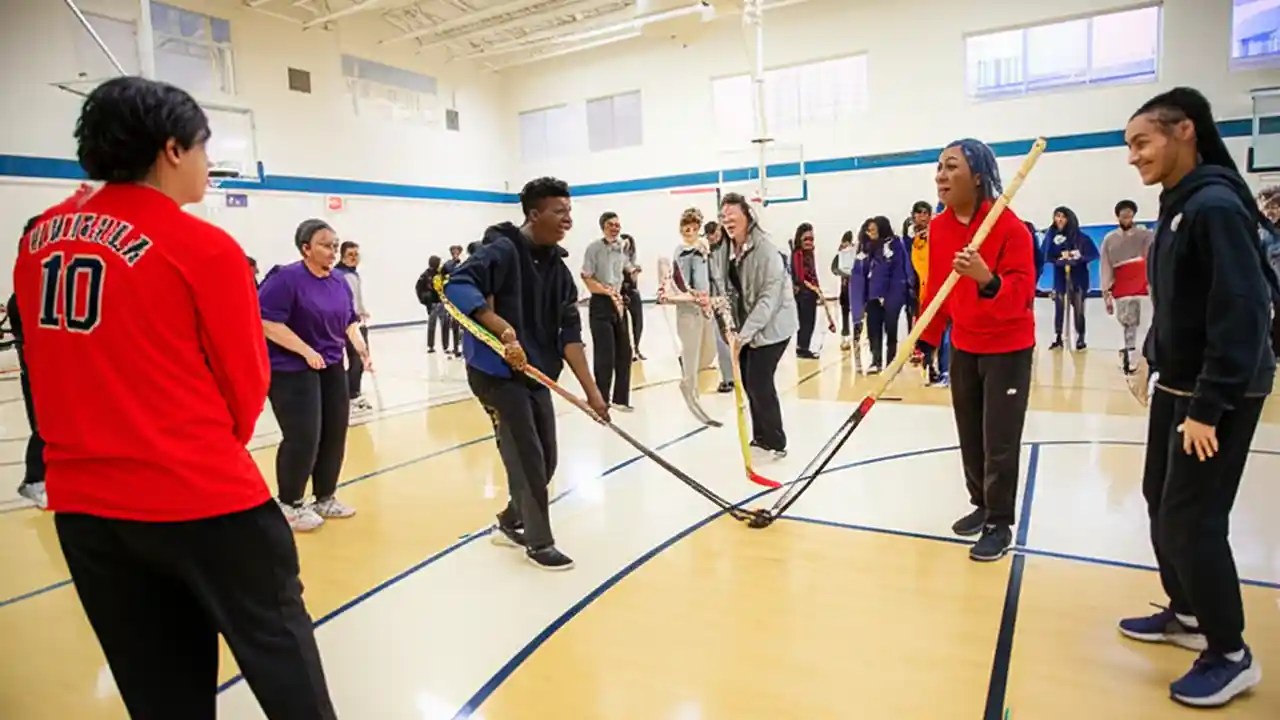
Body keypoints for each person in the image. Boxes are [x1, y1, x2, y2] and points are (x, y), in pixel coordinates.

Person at [13, 76, 334, 718]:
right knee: (283, 665)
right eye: (205, 149)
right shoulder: (202, 245)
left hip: (87, 508)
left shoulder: (37, 240)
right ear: (172, 150)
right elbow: (246, 386)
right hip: (202, 501)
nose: (210, 166)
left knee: (158, 687)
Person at [1117, 87, 1280, 709]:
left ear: (1184, 130)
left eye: (1141, 142)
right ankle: (1186, 611)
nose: (1133, 156)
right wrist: (1155, 361)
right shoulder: (1181, 204)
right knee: (1160, 498)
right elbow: (1184, 298)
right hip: (1179, 381)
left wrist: (1209, 406)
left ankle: (1231, 651)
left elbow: (1240, 309)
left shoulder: (1214, 204)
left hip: (1221, 388)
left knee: (1194, 518)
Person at [444, 176, 610, 571]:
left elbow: (570, 335)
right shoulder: (500, 251)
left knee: (547, 459)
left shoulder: (558, 271)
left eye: (569, 212)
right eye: (559, 211)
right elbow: (457, 286)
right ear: (534, 214)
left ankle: (509, 520)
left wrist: (593, 393)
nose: (567, 219)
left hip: (534, 373)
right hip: (495, 373)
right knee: (527, 458)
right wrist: (502, 330)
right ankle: (538, 542)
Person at [919, 138, 1036, 563]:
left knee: (999, 439)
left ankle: (1000, 522)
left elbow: (1021, 295)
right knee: (970, 432)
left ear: (978, 177)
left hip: (1008, 347)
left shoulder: (1009, 226)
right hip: (964, 344)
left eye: (951, 167)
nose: (941, 175)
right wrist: (927, 339)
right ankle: (981, 504)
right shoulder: (940, 227)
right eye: (939, 167)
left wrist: (988, 279)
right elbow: (937, 290)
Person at [259, 219, 371, 532]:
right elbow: (266, 321)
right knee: (304, 435)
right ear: (306, 248)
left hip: (330, 364)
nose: (333, 250)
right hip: (291, 368)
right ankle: (289, 503)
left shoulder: (337, 281)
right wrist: (305, 350)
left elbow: (349, 319)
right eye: (325, 244)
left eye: (335, 244)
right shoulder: (286, 278)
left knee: (335, 432)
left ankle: (325, 497)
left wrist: (359, 345)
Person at [709, 193, 797, 457]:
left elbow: (767, 301)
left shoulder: (766, 251)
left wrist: (744, 335)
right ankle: (761, 437)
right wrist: (730, 327)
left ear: (748, 216)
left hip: (773, 327)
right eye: (724, 217)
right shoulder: (728, 248)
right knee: (747, 380)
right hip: (747, 326)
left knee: (759, 381)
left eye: (733, 215)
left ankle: (776, 441)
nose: (728, 221)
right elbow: (726, 287)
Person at [663, 207, 722, 427]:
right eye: (686, 228)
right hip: (688, 309)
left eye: (694, 228)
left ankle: (690, 382)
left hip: (704, 307)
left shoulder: (703, 250)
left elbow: (710, 276)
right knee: (691, 352)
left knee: (708, 351)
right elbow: (683, 282)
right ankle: (691, 391)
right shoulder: (683, 251)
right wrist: (694, 294)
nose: (689, 232)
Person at [9, 216, 47, 509]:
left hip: (50, 369)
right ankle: (35, 480)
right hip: (38, 370)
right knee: (44, 426)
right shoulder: (24, 290)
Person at [581, 211, 633, 411]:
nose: (615, 227)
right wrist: (606, 292)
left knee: (625, 351)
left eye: (617, 224)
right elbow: (586, 276)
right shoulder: (593, 249)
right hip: (601, 303)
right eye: (611, 224)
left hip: (618, 302)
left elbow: (622, 271)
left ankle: (621, 399)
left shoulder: (621, 248)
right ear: (603, 226)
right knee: (605, 355)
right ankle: (601, 399)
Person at [1099, 200, 1155, 375]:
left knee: (1144, 322)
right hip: (1122, 285)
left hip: (1142, 284)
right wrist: (1106, 291)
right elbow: (1106, 266)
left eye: (1129, 215)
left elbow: (1153, 258)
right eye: (1123, 215)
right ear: (1118, 217)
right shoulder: (1110, 239)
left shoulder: (1145, 235)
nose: (1127, 218)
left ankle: (1139, 356)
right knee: (1126, 321)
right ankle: (1127, 353)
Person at [1043, 206, 1098, 351]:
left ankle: (1081, 337)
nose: (1059, 220)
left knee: (1078, 306)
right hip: (1061, 275)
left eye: (1062, 216)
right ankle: (1058, 336)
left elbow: (1092, 254)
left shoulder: (1081, 237)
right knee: (1059, 304)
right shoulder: (1051, 236)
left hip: (1078, 276)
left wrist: (1077, 258)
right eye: (1057, 216)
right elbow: (1046, 254)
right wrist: (1058, 260)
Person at [862, 216, 910, 374]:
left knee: (891, 328)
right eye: (868, 231)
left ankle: (892, 362)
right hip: (873, 295)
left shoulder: (895, 245)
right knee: (873, 328)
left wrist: (889, 294)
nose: (870, 233)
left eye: (873, 230)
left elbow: (896, 271)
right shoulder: (869, 247)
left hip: (892, 295)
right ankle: (875, 360)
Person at [335, 240, 372, 413]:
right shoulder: (340, 274)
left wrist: (363, 310)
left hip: (358, 320)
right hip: (349, 324)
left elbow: (356, 297)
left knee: (358, 359)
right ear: (342, 255)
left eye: (356, 254)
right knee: (357, 358)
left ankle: (351, 392)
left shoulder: (353, 274)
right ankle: (352, 395)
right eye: (350, 254)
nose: (354, 258)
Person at [705, 220, 735, 393]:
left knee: (736, 337)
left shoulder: (731, 243)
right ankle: (728, 378)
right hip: (714, 299)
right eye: (710, 237)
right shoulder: (705, 250)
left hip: (732, 297)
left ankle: (740, 374)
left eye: (715, 235)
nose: (713, 239)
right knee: (720, 339)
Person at [791, 223, 821, 359]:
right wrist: (810, 287)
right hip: (803, 293)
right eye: (806, 239)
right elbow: (799, 276)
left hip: (811, 293)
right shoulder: (798, 254)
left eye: (811, 239)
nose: (809, 242)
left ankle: (804, 346)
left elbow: (813, 272)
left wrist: (818, 289)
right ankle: (802, 348)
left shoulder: (810, 254)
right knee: (805, 321)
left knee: (811, 321)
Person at [621, 232, 645, 360]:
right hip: (622, 292)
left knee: (638, 323)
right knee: (625, 325)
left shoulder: (632, 259)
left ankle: (636, 348)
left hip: (633, 291)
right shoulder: (617, 257)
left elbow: (633, 274)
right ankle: (629, 352)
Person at [417, 255, 448, 353]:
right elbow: (419, 288)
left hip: (442, 302)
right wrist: (425, 299)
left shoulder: (441, 274)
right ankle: (431, 346)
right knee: (431, 325)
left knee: (445, 325)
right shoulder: (425, 275)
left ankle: (445, 346)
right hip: (432, 304)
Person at [831, 230, 855, 351]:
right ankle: (845, 337)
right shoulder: (840, 255)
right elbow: (834, 269)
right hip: (844, 289)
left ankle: (855, 337)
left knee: (857, 315)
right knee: (845, 314)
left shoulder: (854, 254)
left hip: (855, 289)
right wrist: (844, 273)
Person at [442, 244, 465, 357]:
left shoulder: (464, 264)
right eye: (453, 251)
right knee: (452, 324)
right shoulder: (447, 265)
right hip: (451, 297)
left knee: (463, 325)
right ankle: (454, 347)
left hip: (463, 296)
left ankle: (461, 347)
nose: (455, 253)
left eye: (457, 251)